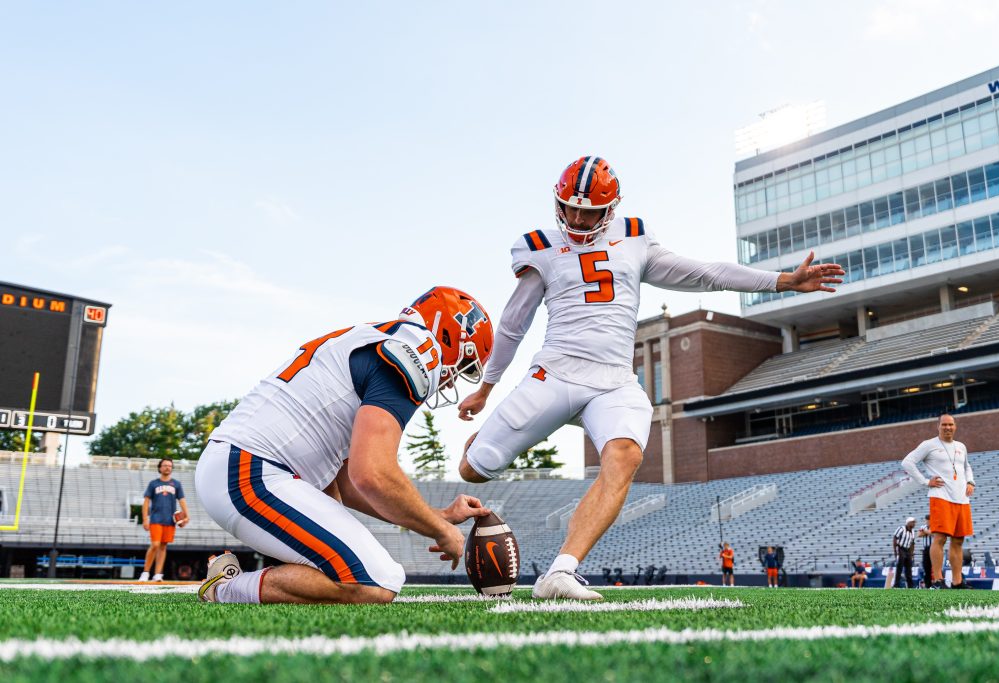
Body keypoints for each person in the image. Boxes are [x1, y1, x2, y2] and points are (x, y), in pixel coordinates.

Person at [456, 156, 845, 600]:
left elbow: (706, 273)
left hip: (615, 382)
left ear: (613, 208)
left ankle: (560, 572)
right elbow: (513, 323)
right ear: (558, 203)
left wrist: (780, 280)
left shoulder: (634, 238)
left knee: (624, 456)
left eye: (591, 211)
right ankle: (485, 451)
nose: (580, 219)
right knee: (474, 470)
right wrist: (487, 388)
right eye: (571, 208)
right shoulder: (539, 246)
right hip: (557, 374)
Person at [193, 287, 495, 604]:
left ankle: (247, 580)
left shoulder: (376, 339)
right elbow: (373, 474)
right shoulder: (415, 349)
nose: (452, 381)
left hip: (252, 467)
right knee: (375, 580)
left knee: (355, 564)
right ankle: (225, 589)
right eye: (465, 363)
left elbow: (351, 483)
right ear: (449, 336)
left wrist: (440, 515)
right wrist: (439, 529)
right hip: (249, 469)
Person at [902, 414, 975, 590]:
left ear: (955, 426)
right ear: (938, 426)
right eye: (944, 425)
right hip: (941, 497)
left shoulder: (961, 446)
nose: (948, 427)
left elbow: (966, 466)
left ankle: (957, 582)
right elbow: (907, 462)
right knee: (940, 538)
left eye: (950, 424)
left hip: (962, 499)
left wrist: (971, 481)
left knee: (958, 540)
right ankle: (937, 580)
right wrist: (925, 481)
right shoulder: (929, 445)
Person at [138, 458, 190, 582]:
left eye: (170, 466)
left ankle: (157, 574)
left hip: (170, 519)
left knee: (163, 546)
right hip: (155, 518)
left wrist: (186, 516)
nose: (167, 467)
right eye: (165, 465)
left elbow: (181, 500)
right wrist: (145, 518)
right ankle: (145, 573)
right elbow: (146, 502)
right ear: (160, 468)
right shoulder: (153, 484)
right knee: (155, 544)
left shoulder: (176, 484)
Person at [892, 517, 916, 588]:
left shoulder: (913, 532)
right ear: (908, 523)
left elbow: (912, 543)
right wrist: (895, 551)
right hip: (901, 548)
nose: (914, 524)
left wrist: (912, 554)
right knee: (899, 567)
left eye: (914, 522)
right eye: (912, 522)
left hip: (908, 550)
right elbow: (895, 538)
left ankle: (910, 585)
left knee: (909, 568)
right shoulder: (901, 529)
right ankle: (896, 585)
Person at [918, 513, 933, 588]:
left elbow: (931, 533)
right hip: (926, 549)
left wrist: (925, 531)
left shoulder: (934, 526)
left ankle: (936, 583)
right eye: (927, 520)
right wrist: (926, 532)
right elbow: (919, 534)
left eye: (929, 520)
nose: (927, 521)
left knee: (934, 566)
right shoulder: (923, 527)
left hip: (933, 548)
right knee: (926, 566)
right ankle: (928, 584)